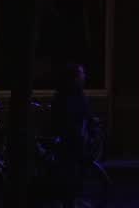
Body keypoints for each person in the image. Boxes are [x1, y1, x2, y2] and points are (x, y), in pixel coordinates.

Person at [51, 63, 90, 208]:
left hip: (75, 139)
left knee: (74, 172)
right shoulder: (68, 95)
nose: (84, 77)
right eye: (81, 74)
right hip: (70, 140)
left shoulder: (75, 93)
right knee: (70, 172)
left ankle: (71, 200)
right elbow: (69, 118)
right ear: (74, 78)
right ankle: (68, 201)